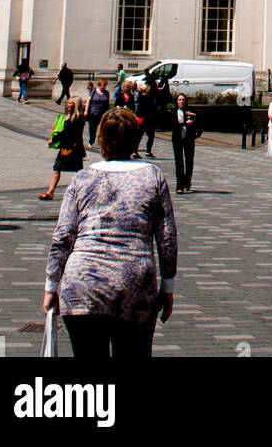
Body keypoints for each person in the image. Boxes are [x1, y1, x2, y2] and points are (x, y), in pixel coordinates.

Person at [42, 107, 177, 358]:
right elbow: (167, 237)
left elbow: (63, 237)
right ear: (135, 138)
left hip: (83, 283)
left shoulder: (82, 178)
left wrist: (52, 285)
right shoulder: (152, 175)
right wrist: (167, 286)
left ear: (102, 138)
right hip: (133, 283)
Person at [39, 97, 86, 201]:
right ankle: (50, 192)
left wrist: (54, 139)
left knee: (77, 171)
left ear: (75, 105)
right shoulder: (71, 117)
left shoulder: (77, 118)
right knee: (58, 168)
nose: (67, 105)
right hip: (68, 147)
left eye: (70, 104)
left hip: (72, 148)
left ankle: (83, 192)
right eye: (67, 104)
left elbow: (66, 133)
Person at [170, 94, 199, 194]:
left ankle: (187, 181)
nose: (181, 102)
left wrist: (196, 132)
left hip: (189, 139)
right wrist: (185, 124)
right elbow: (172, 125)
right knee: (179, 162)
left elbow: (198, 123)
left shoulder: (191, 111)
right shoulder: (174, 112)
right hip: (177, 139)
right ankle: (180, 185)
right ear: (176, 102)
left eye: (183, 100)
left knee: (189, 161)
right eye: (179, 100)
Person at [135, 83, 158, 158]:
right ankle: (148, 151)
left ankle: (135, 151)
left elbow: (138, 109)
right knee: (151, 135)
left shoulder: (140, 97)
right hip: (148, 119)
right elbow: (152, 109)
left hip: (140, 119)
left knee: (139, 136)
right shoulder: (149, 98)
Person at [86, 80, 111, 147]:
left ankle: (101, 142)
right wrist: (86, 111)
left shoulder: (106, 93)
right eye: (102, 85)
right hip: (93, 113)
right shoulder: (93, 91)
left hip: (102, 113)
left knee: (102, 129)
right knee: (92, 129)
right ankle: (91, 142)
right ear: (99, 85)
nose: (103, 87)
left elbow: (107, 104)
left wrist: (108, 113)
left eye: (105, 85)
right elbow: (88, 101)